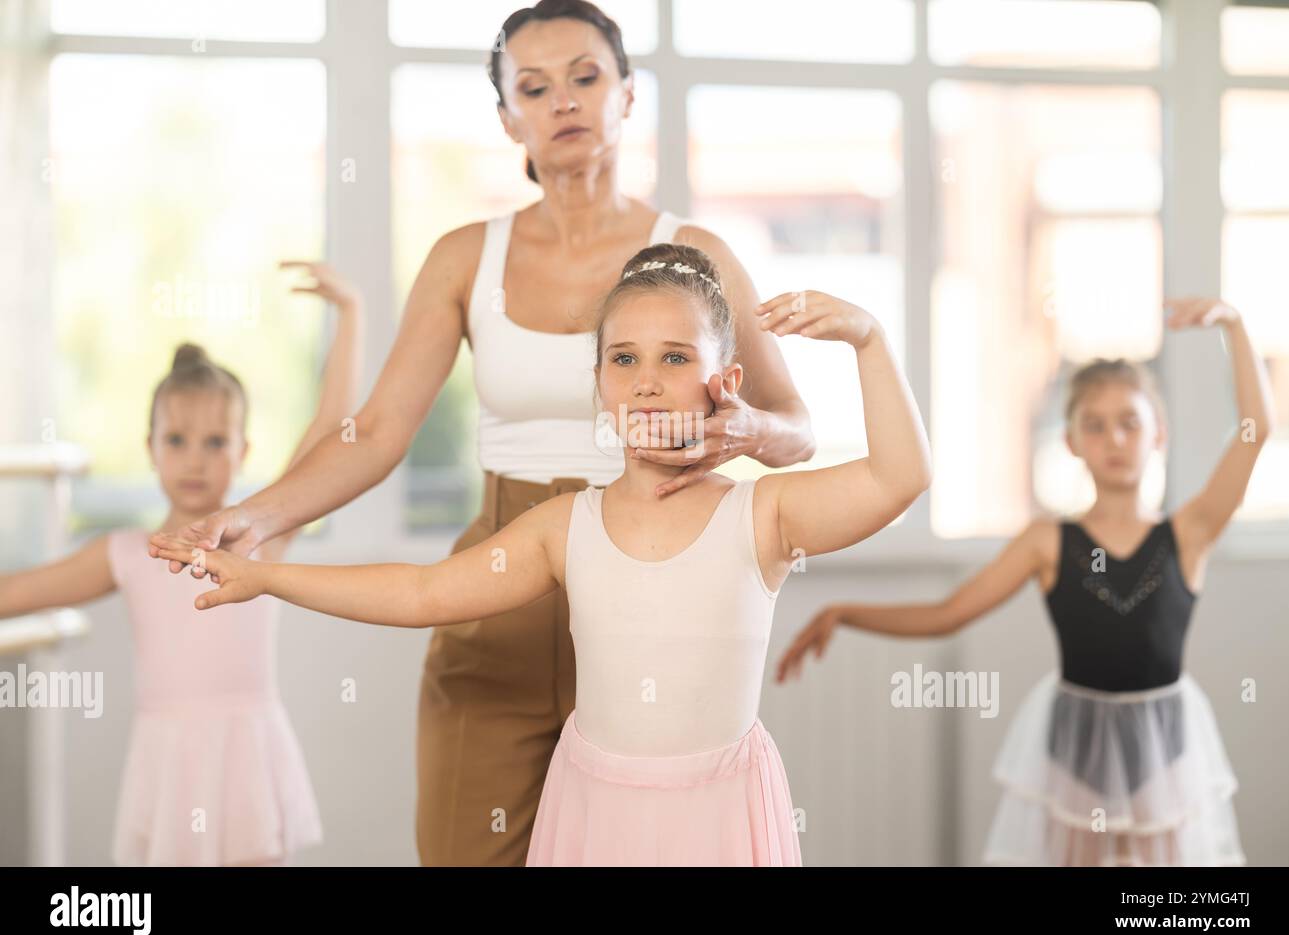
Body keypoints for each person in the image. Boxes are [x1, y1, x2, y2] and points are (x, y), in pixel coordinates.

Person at [148, 0, 815, 866]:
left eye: (586, 77)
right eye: (533, 87)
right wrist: (261, 517)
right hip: (500, 567)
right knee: (467, 846)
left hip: (659, 582)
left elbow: (797, 431)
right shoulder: (467, 255)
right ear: (508, 118)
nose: (564, 102)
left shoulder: (697, 255)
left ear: (628, 95)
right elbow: (379, 428)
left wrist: (744, 429)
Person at [151, 242, 932, 865]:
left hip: (719, 817)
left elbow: (901, 476)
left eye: (675, 358)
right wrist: (267, 575)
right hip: (596, 814)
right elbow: (424, 595)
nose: (648, 382)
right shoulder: (564, 527)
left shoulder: (763, 515)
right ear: (598, 386)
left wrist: (869, 338)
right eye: (624, 359)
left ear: (725, 382)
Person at [777, 297, 1273, 865]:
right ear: (1071, 441)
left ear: (1157, 433)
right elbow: (950, 613)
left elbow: (1254, 435)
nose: (1113, 439)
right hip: (1075, 754)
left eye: (1129, 423)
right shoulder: (1047, 541)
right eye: (1096, 425)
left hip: (1166, 752)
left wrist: (1233, 325)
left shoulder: (1190, 533)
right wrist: (844, 612)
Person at [0, 262, 364, 865]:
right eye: (177, 440)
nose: (195, 460)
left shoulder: (258, 538)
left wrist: (350, 313)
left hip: (245, 757)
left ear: (243, 451)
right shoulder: (123, 552)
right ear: (150, 448)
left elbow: (334, 430)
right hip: (168, 764)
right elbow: (20, 591)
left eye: (216, 442)